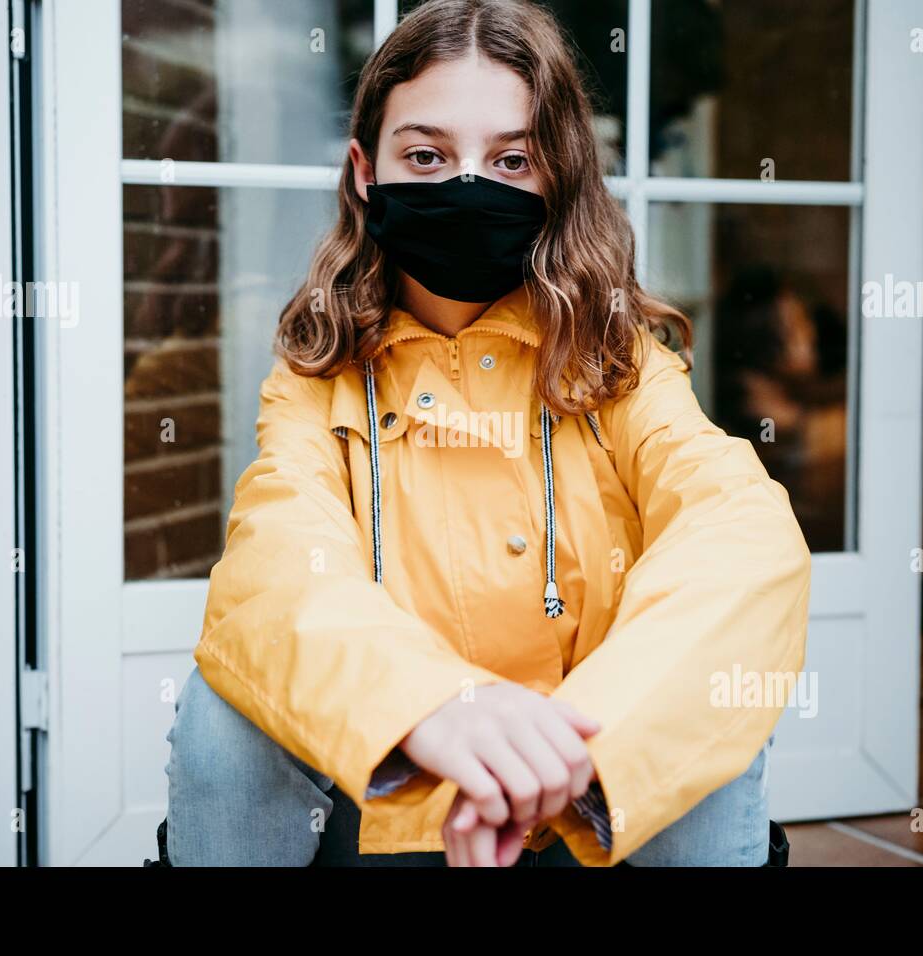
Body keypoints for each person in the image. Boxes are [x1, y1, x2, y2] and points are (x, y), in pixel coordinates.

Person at [164, 0, 811, 868]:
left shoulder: (621, 370)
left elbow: (743, 538)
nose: (468, 187)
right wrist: (432, 709)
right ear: (365, 171)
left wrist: (574, 752)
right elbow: (275, 575)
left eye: (511, 160)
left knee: (705, 725)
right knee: (226, 700)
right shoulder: (315, 385)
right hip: (395, 801)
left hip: (585, 810)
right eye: (426, 156)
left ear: (558, 180)